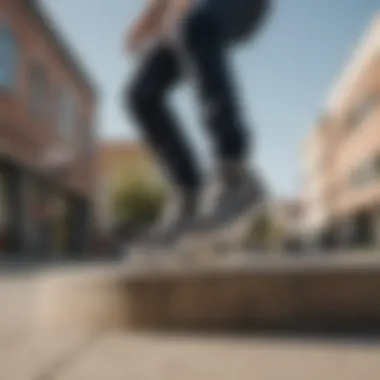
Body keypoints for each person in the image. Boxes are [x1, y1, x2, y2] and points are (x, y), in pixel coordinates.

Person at [124, 0, 271, 250]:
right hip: (186, 18)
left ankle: (234, 173)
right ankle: (188, 195)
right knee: (141, 94)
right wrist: (148, 21)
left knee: (196, 24)